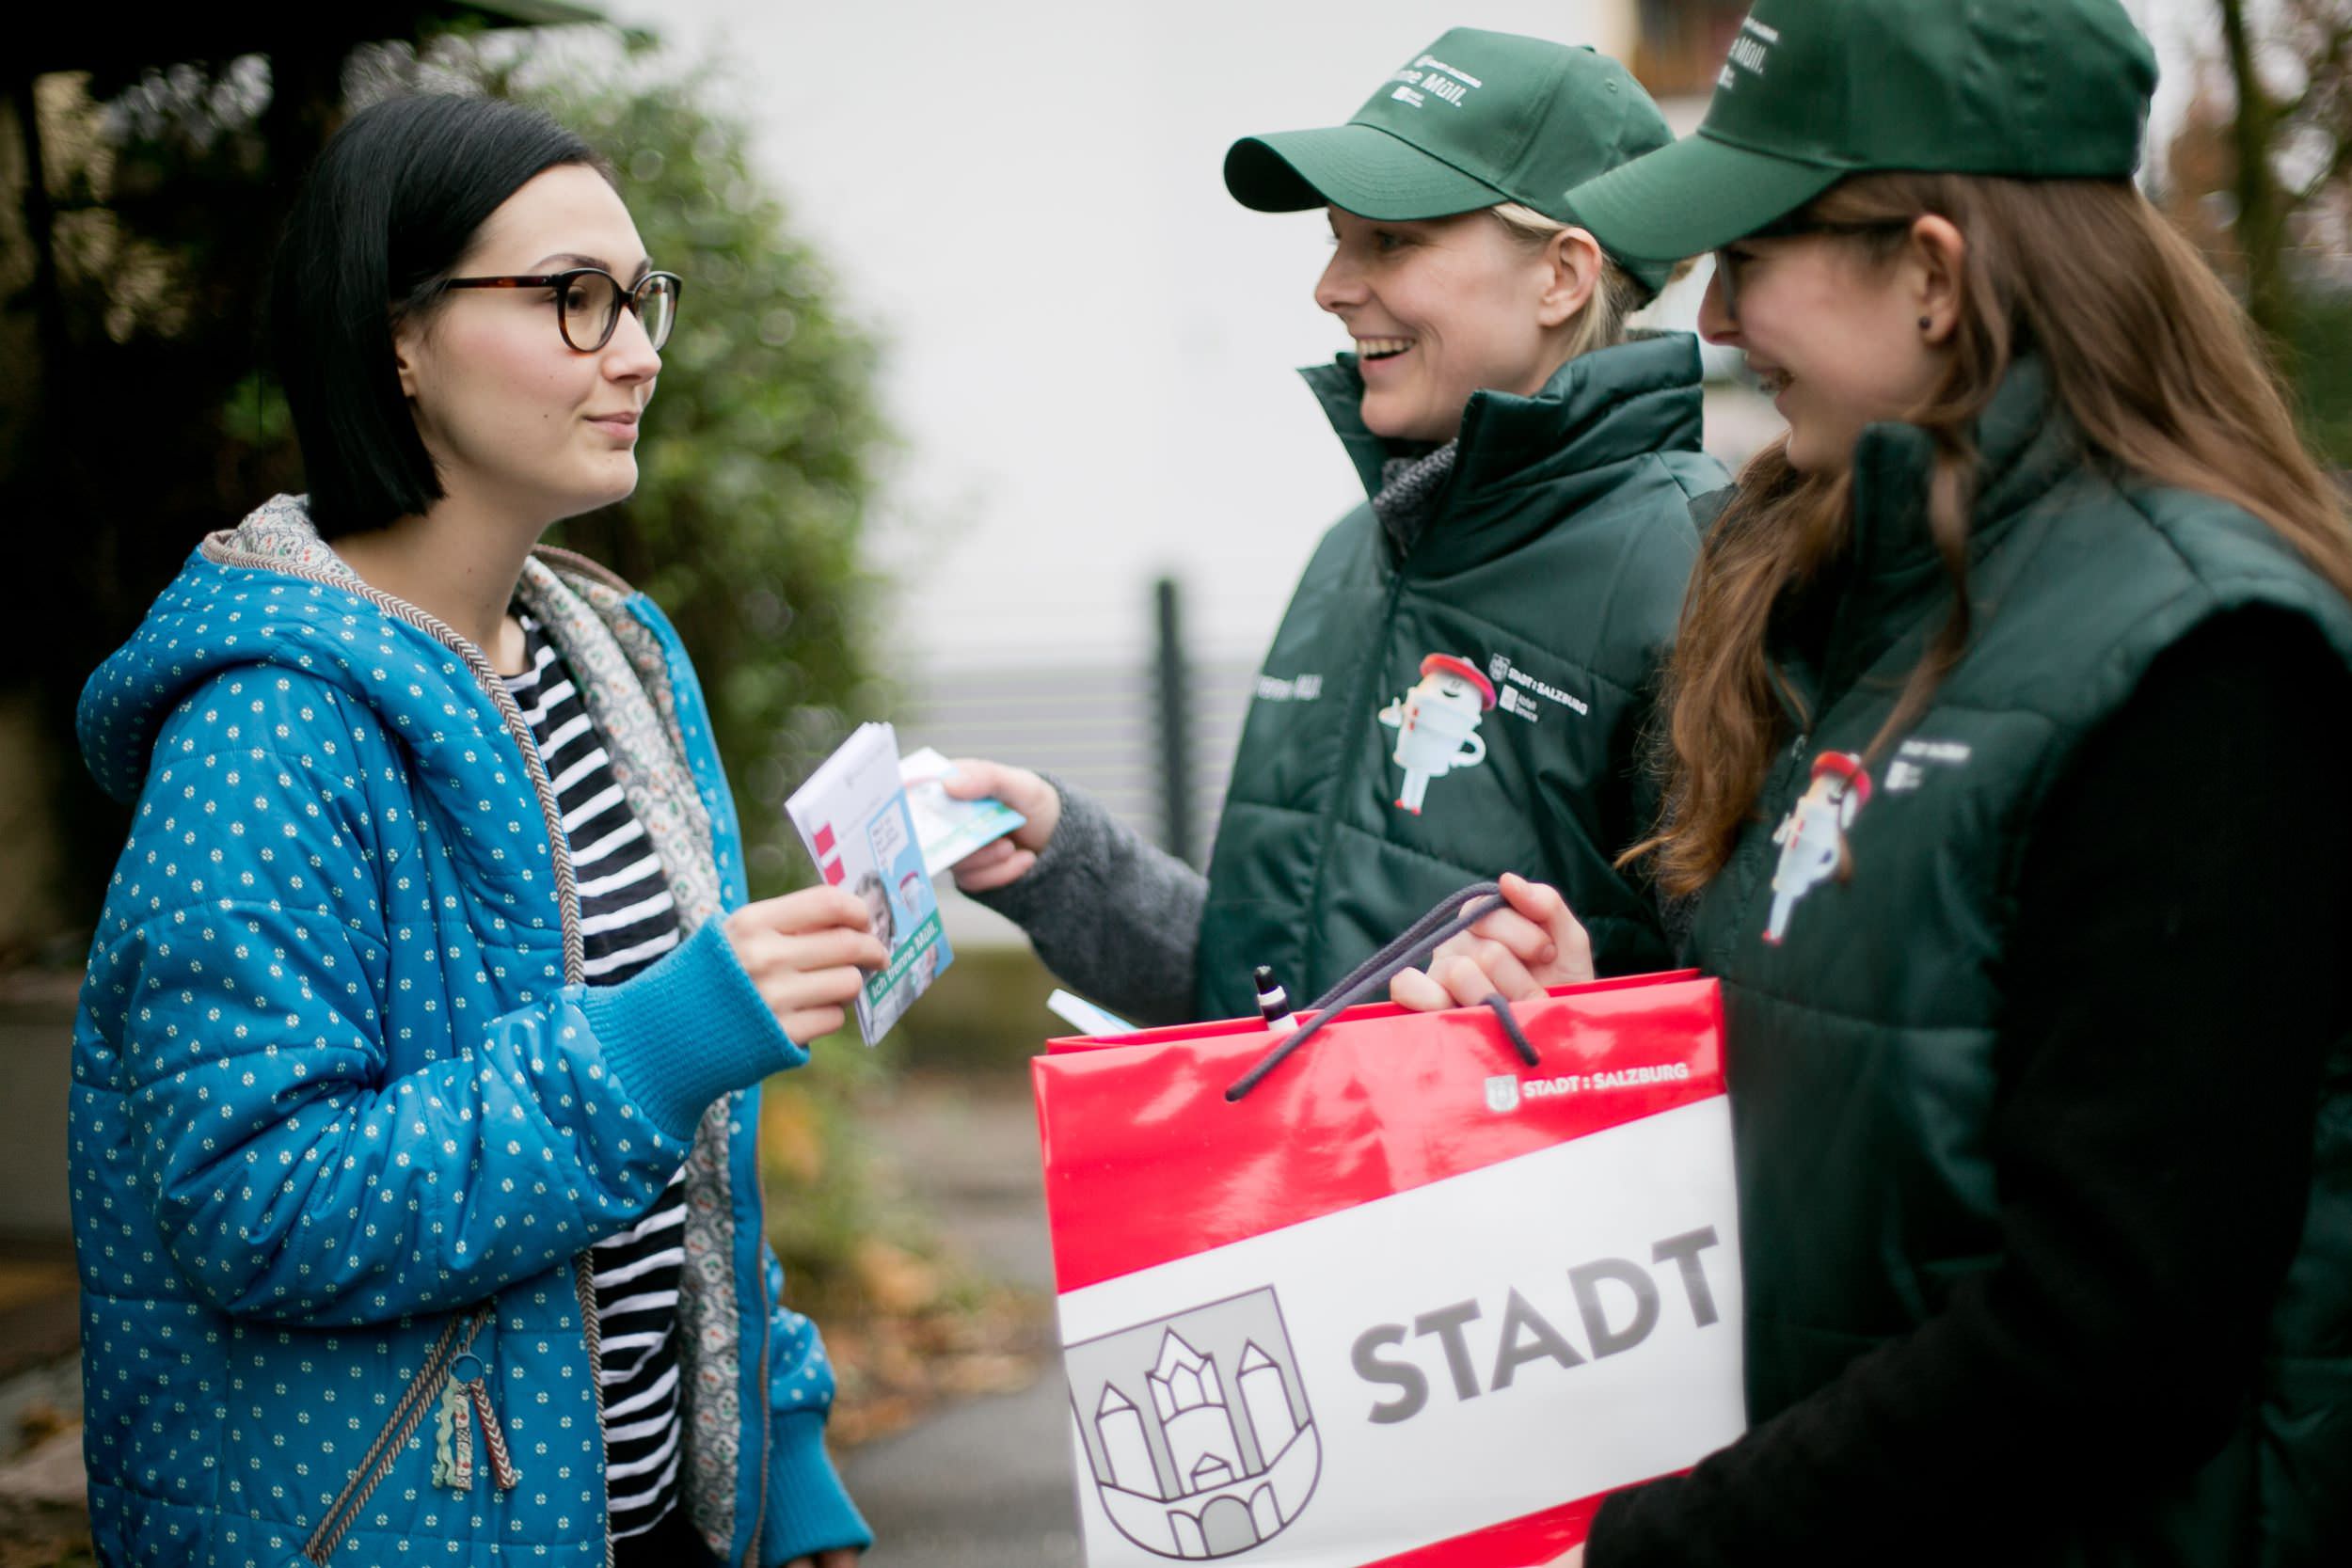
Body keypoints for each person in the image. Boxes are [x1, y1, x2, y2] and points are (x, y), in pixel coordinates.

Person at [1390, 2, 2352, 1562]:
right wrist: (1623, 1023)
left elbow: (2110, 1328)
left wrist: (1652, 1545)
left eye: (1751, 251)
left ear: (1931, 273)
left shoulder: (2209, 662)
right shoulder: (1886, 596)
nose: (1710, 315)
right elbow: (1893, 1082)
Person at [69, 95, 879, 1568]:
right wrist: (659, 1036)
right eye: (572, 299)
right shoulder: (266, 726)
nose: (634, 351)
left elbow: (693, 1177)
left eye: (640, 301)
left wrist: (780, 1436)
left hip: (661, 1527)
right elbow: (254, 1201)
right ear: (398, 337)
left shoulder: (612, 658)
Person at [949, 28, 1724, 1025]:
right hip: (1308, 1187)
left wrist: (1582, 1028)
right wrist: (1069, 863)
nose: (1331, 289)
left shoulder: (1703, 570)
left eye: (1391, 241)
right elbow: (1274, 998)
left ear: (1561, 276)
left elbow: (1769, 1045)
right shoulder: (1350, 556)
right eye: (1336, 239)